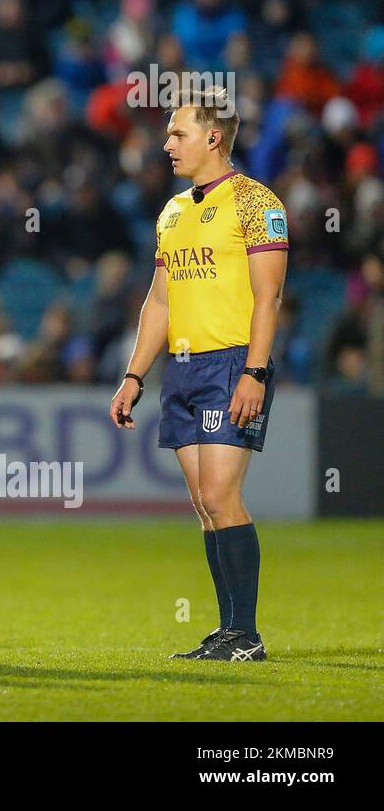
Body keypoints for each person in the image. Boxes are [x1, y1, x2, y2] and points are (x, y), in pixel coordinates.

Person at [109, 87, 288, 661]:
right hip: (182, 371)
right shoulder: (173, 211)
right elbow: (159, 301)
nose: (167, 144)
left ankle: (247, 634)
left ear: (214, 138)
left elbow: (270, 295)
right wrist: (135, 376)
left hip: (232, 361)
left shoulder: (257, 203)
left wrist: (255, 372)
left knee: (220, 493)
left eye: (177, 133)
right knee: (205, 505)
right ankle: (229, 627)